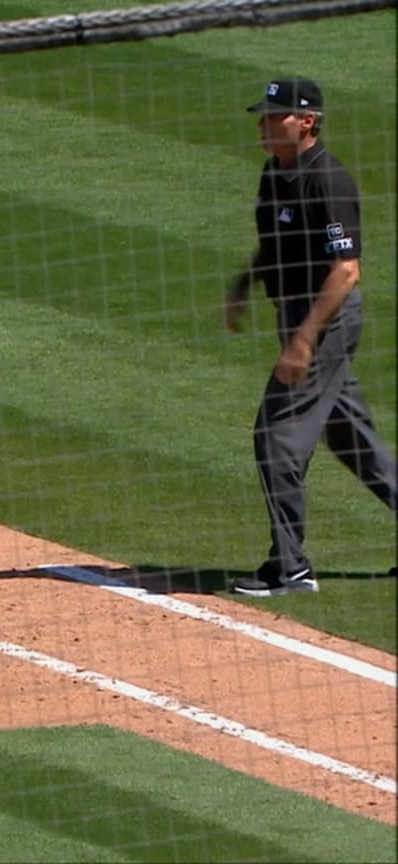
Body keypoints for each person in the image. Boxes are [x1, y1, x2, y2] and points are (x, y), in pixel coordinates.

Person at [224, 77, 397, 597]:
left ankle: (289, 566)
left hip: (325, 318)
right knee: (352, 439)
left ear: (306, 121)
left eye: (274, 115)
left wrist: (302, 341)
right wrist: (246, 281)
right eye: (262, 114)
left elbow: (346, 271)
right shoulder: (275, 173)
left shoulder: (328, 180)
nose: (263, 123)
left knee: (275, 435)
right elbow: (275, 241)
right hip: (298, 315)